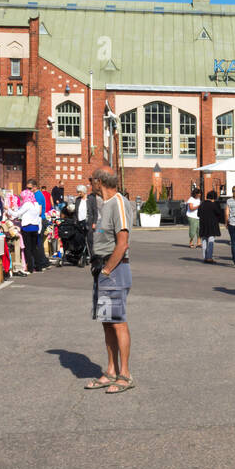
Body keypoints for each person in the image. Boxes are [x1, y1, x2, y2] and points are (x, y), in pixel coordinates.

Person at [85, 166, 137, 394]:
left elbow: (123, 242)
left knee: (117, 322)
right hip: (104, 269)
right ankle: (111, 371)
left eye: (91, 180)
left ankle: (125, 374)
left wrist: (107, 270)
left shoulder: (118, 202)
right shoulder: (104, 204)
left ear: (99, 181)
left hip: (114, 270)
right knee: (107, 322)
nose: (90, 184)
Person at [11, 186, 45, 272]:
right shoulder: (36, 204)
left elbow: (17, 214)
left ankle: (30, 267)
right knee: (34, 248)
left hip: (27, 228)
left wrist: (8, 210)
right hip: (35, 227)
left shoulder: (27, 204)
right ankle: (39, 266)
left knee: (28, 249)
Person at [198, 190, 224, 263]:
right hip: (212, 225)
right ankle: (209, 257)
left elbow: (198, 214)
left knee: (204, 241)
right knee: (211, 241)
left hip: (203, 225)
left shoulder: (201, 204)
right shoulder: (214, 205)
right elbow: (219, 213)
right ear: (214, 198)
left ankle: (205, 257)